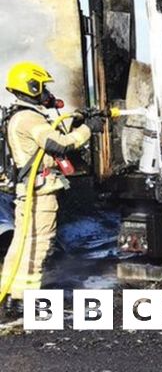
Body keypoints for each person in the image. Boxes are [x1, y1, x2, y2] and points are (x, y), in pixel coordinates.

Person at [1, 62, 102, 314]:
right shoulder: (28, 118)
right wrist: (89, 130)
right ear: (31, 86)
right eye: (43, 87)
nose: (46, 93)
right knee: (39, 243)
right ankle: (24, 300)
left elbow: (50, 138)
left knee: (22, 243)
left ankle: (12, 295)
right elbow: (60, 145)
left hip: (30, 191)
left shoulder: (20, 115)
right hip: (41, 192)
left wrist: (78, 120)